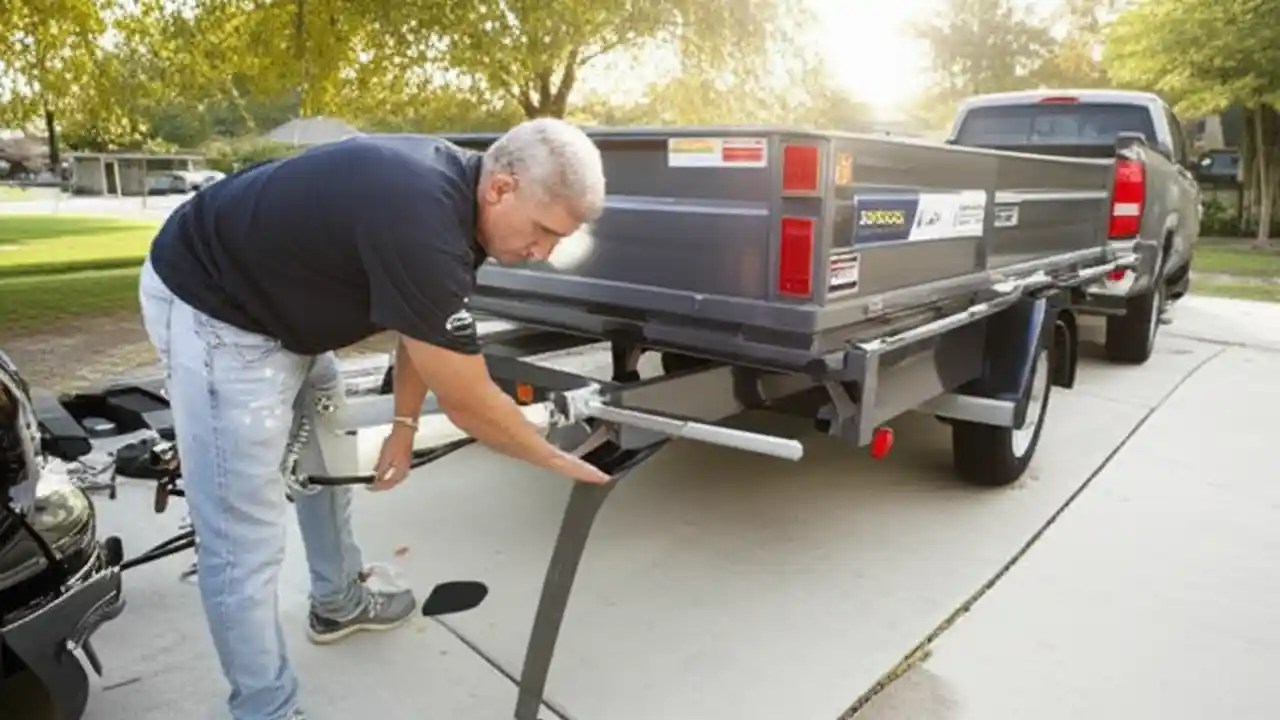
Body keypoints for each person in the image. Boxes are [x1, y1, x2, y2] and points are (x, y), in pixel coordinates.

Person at [136, 117, 613, 720]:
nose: (543, 254)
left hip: (286, 311)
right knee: (241, 538)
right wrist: (556, 458)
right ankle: (266, 709)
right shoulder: (422, 215)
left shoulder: (464, 207)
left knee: (326, 457)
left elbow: (425, 325)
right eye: (544, 232)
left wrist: (405, 426)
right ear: (502, 188)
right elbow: (471, 403)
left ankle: (337, 601)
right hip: (218, 311)